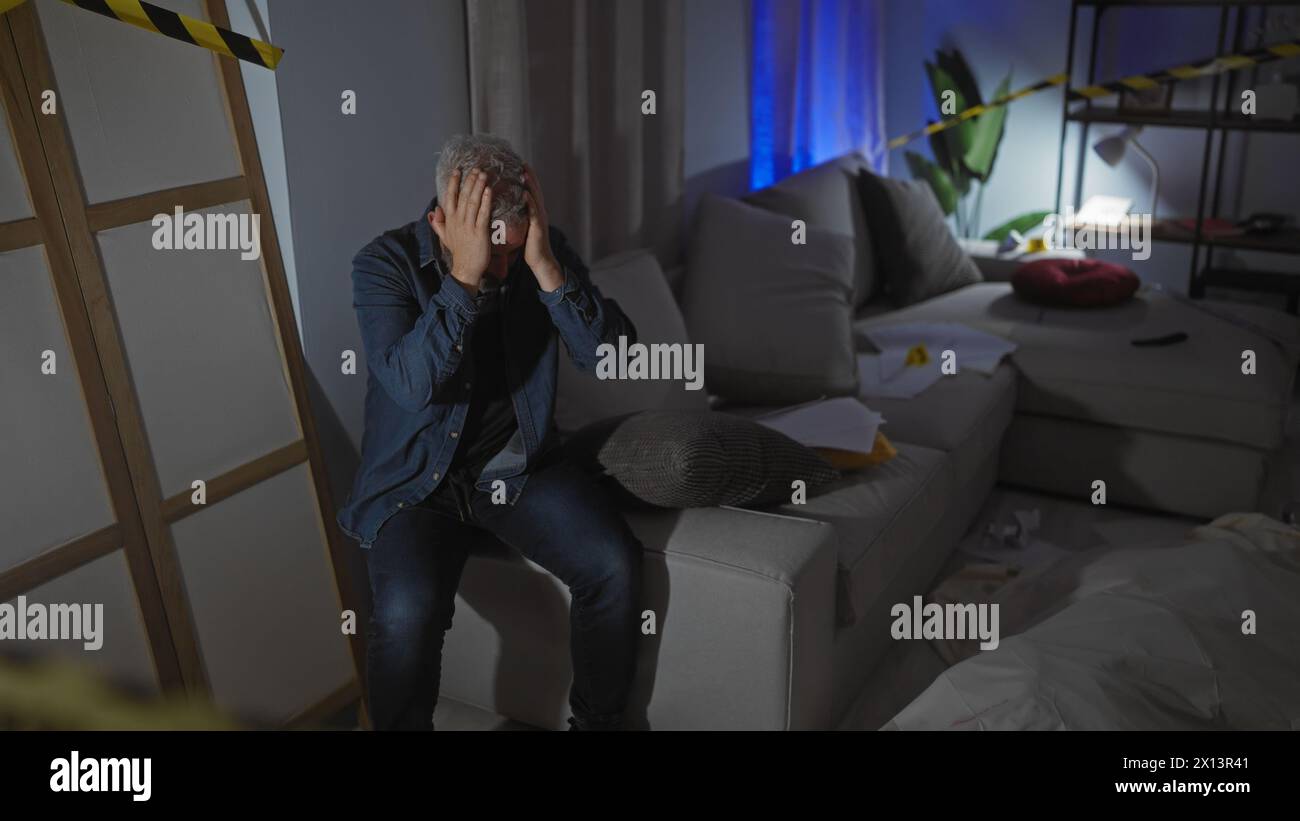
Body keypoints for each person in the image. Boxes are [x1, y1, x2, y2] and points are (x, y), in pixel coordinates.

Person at [337, 134, 642, 731]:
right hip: (414, 482)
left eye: (511, 251)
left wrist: (548, 268)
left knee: (613, 563)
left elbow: (618, 359)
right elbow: (411, 384)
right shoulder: (382, 265)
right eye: (491, 252)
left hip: (515, 469)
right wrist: (464, 278)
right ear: (439, 221)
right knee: (406, 613)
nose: (503, 269)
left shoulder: (536, 254)